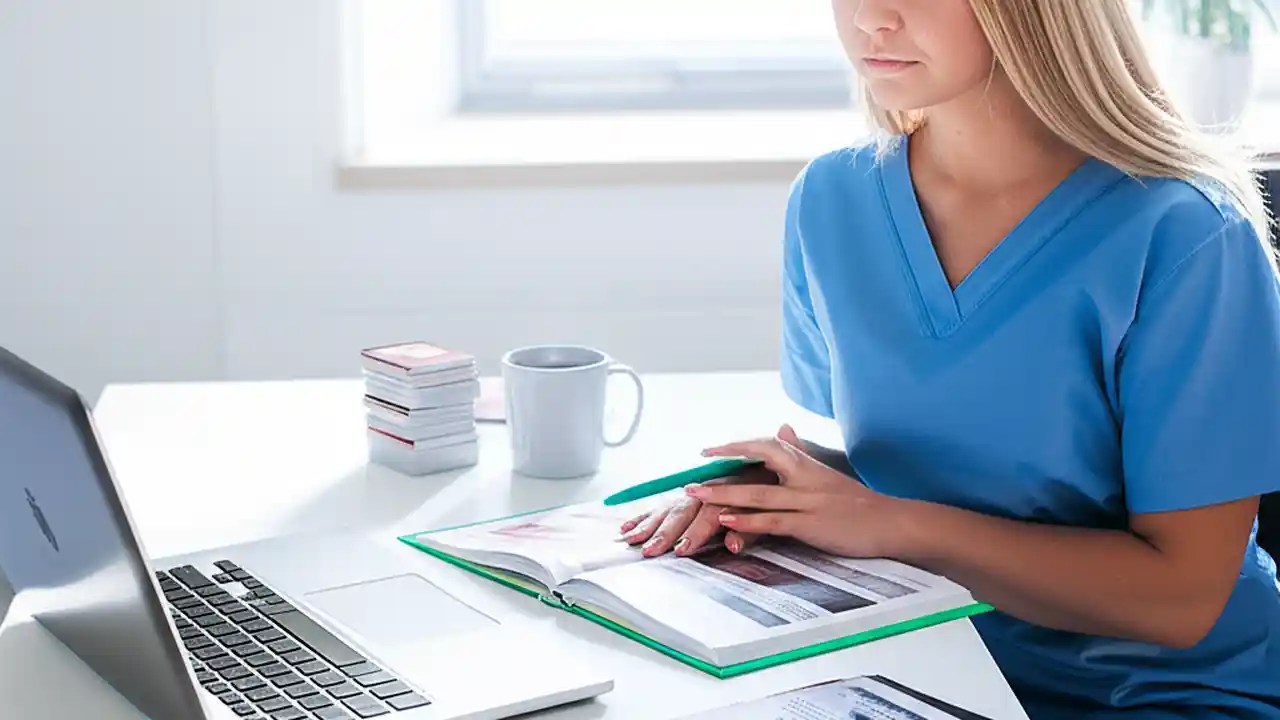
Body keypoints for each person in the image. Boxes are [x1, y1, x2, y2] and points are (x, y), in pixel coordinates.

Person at [619, 1, 1280, 718]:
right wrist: (782, 494)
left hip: (1153, 696)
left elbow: (1182, 598)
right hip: (915, 662)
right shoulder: (832, 198)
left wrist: (888, 522)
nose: (872, 18)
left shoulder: (1185, 233)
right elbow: (922, 468)